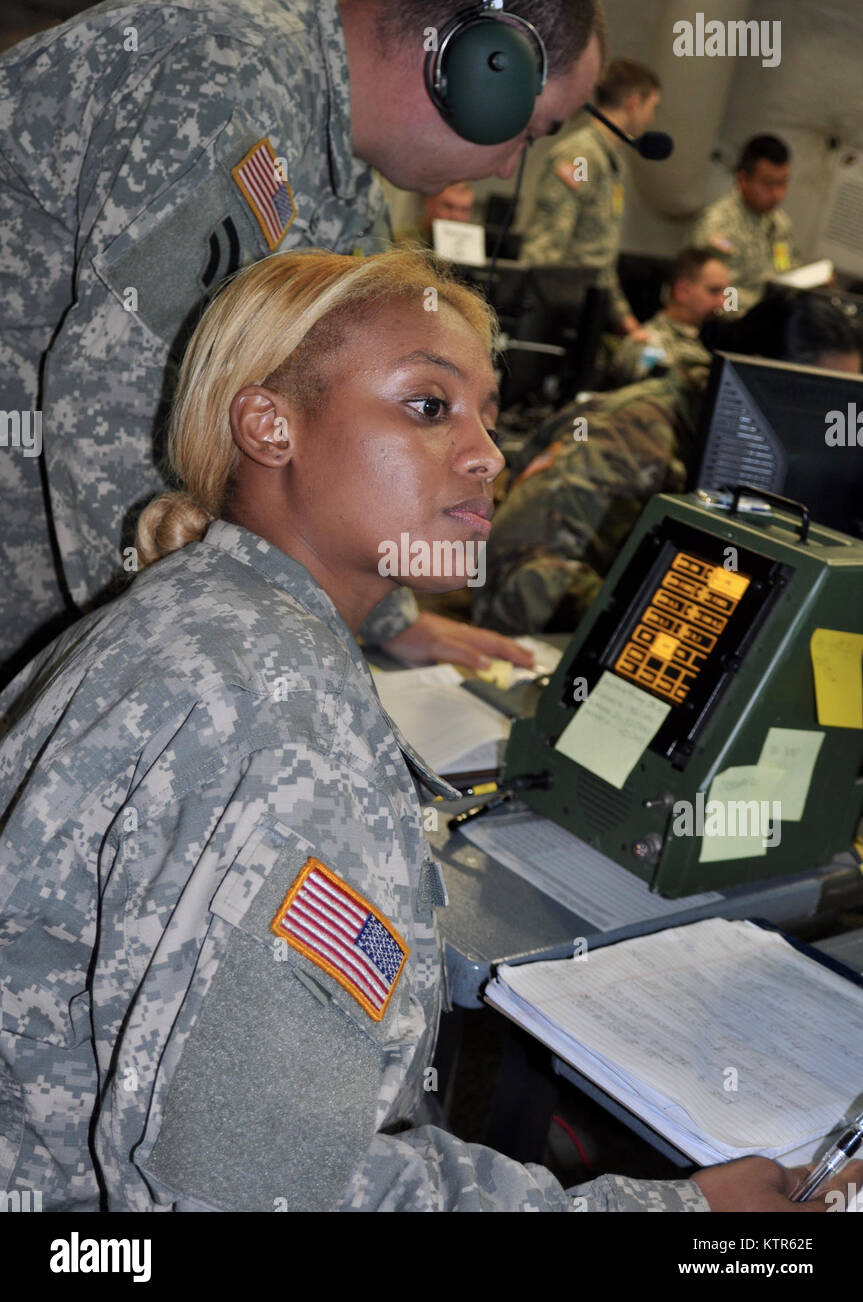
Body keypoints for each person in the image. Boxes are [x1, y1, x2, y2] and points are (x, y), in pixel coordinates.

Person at [4, 249, 855, 1215]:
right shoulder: (278, 726)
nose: (488, 452)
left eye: (486, 413)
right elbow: (255, 1196)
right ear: (267, 426)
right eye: (427, 406)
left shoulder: (215, 611)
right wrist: (681, 1217)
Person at [0, 0, 605, 687]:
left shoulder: (333, 161)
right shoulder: (221, 75)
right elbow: (117, 400)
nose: (510, 164)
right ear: (486, 73)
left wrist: (388, 623)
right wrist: (172, 683)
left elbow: (326, 433)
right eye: (532, 131)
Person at [472, 365, 709, 636]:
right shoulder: (633, 431)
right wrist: (661, 626)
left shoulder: (675, 415)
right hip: (513, 612)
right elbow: (526, 580)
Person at [519, 58, 661, 339]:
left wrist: (625, 320)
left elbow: (599, 254)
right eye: (652, 108)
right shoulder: (582, 156)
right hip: (556, 309)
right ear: (633, 103)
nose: (652, 118)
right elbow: (549, 242)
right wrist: (532, 320)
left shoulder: (609, 159)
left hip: (584, 304)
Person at [690, 135, 802, 315]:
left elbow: (787, 270)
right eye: (768, 184)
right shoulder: (719, 224)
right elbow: (714, 291)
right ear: (743, 180)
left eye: (783, 183)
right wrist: (744, 317)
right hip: (730, 322)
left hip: (771, 317)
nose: (777, 194)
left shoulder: (779, 223)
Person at [611, 247, 729, 385]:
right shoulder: (649, 344)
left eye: (725, 293)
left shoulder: (708, 341)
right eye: (714, 291)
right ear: (683, 290)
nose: (722, 301)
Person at [396, 181, 476, 248]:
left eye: (464, 210)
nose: (456, 216)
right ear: (429, 203)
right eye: (448, 206)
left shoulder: (475, 250)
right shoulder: (402, 242)